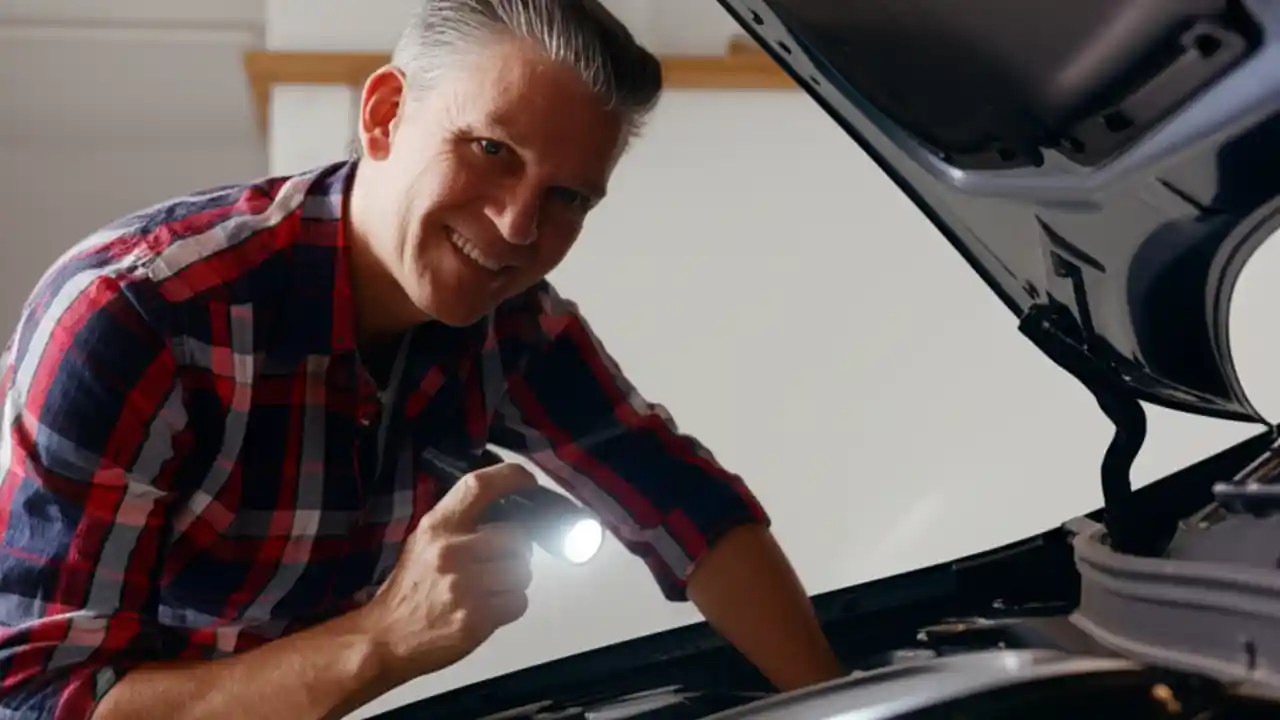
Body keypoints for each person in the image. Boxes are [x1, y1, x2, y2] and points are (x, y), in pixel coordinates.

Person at [0, 1, 844, 717]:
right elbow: (42, 703)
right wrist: (386, 637)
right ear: (385, 114)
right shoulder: (135, 318)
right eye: (491, 151)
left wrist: (837, 698)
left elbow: (694, 516)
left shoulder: (512, 325)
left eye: (567, 197)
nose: (519, 227)